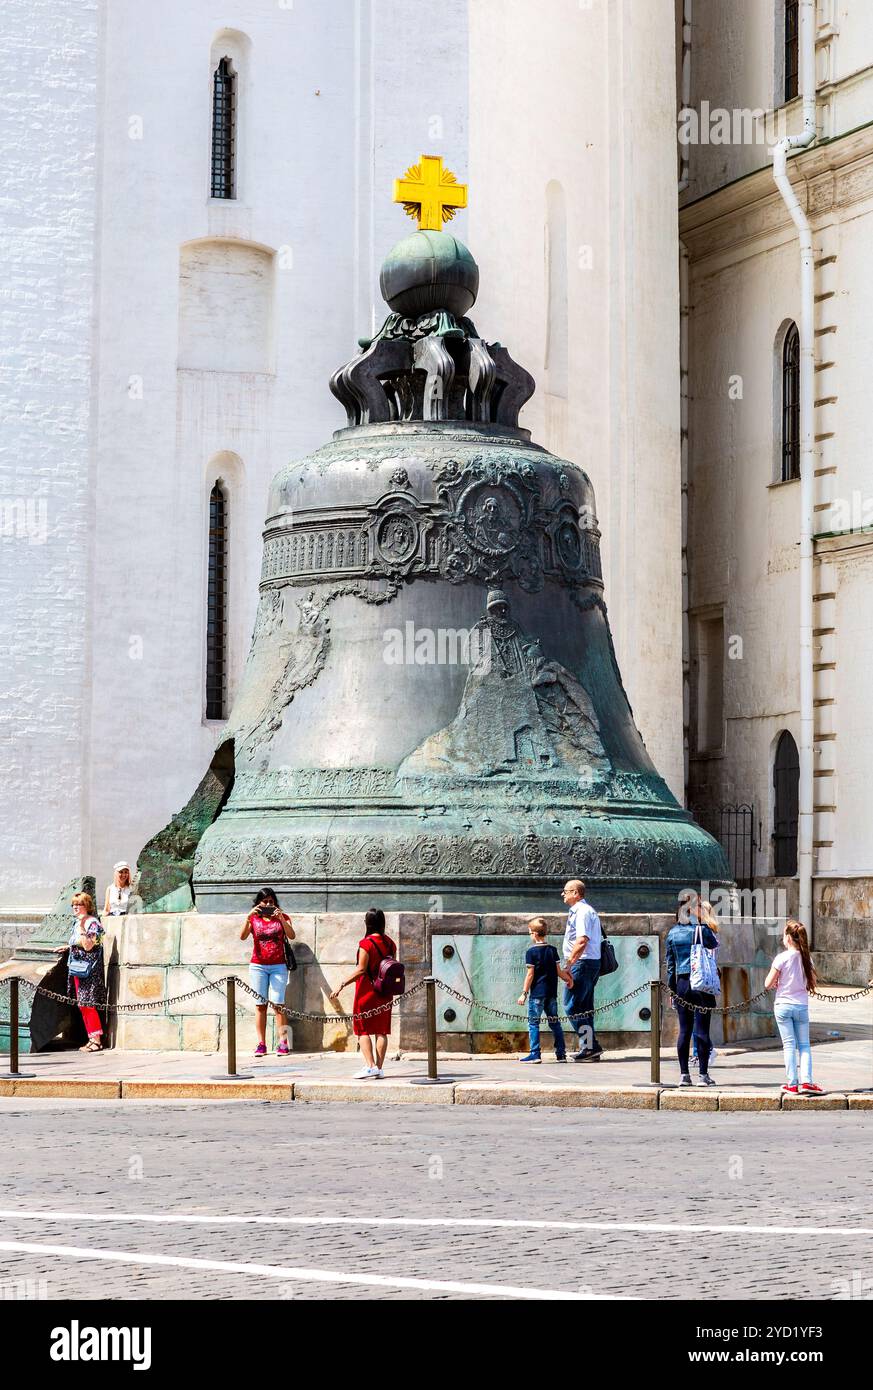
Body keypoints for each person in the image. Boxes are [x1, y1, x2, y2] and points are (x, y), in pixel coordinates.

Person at [329, 908, 397, 1079]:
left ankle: (370, 1065)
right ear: (382, 923)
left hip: (367, 991)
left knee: (362, 1029)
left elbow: (361, 970)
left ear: (367, 923)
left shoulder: (365, 944)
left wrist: (342, 984)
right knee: (381, 1030)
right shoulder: (390, 943)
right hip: (385, 991)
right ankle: (379, 1069)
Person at [665, 896, 720, 1087]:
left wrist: (672, 991)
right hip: (701, 983)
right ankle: (703, 1075)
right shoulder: (702, 930)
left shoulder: (672, 933)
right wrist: (704, 920)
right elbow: (714, 945)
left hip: (681, 983)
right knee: (702, 1030)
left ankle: (684, 1075)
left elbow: (670, 967)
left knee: (684, 1030)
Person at [765, 919, 822, 1096]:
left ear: (789, 938)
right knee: (804, 1045)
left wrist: (778, 982)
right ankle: (807, 1081)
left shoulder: (781, 958)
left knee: (789, 1046)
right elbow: (809, 982)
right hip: (801, 1006)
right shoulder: (807, 959)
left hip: (783, 1005)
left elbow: (767, 983)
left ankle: (792, 1084)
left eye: (784, 934)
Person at [241, 889, 295, 1056]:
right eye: (264, 901)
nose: (268, 905)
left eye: (271, 901)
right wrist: (248, 917)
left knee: (279, 1005)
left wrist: (281, 919)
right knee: (260, 1005)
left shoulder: (283, 917)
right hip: (258, 966)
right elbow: (242, 936)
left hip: (278, 965)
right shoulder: (254, 919)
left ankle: (283, 1043)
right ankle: (261, 1043)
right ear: (259, 903)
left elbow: (292, 935)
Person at [54, 892, 107, 1052]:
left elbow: (90, 946)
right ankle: (92, 1037)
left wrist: (83, 928)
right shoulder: (77, 923)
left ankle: (96, 1040)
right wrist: (68, 947)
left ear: (87, 906)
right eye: (74, 905)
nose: (75, 907)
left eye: (79, 904)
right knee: (83, 1004)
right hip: (78, 967)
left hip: (88, 969)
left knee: (87, 1003)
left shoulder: (93, 923)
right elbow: (79, 943)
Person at [518, 917, 573, 1063]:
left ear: (535, 934)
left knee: (533, 1023)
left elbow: (530, 975)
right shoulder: (552, 950)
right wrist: (569, 979)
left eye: (530, 933)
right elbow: (559, 972)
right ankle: (561, 1054)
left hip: (537, 994)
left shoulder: (531, 952)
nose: (530, 935)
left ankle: (535, 1054)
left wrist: (524, 993)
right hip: (551, 994)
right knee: (555, 1023)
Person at [561, 878, 603, 1061]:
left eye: (566, 891)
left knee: (572, 1006)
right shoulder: (585, 911)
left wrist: (569, 963)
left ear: (575, 893)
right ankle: (589, 1049)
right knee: (585, 1008)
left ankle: (590, 1046)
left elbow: (582, 940)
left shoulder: (582, 912)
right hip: (588, 963)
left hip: (582, 963)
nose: (563, 894)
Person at [690, 899, 720, 1069]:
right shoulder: (710, 931)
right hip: (707, 978)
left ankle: (705, 1050)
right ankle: (698, 1052)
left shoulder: (703, 931)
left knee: (697, 1020)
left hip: (700, 978)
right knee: (698, 1019)